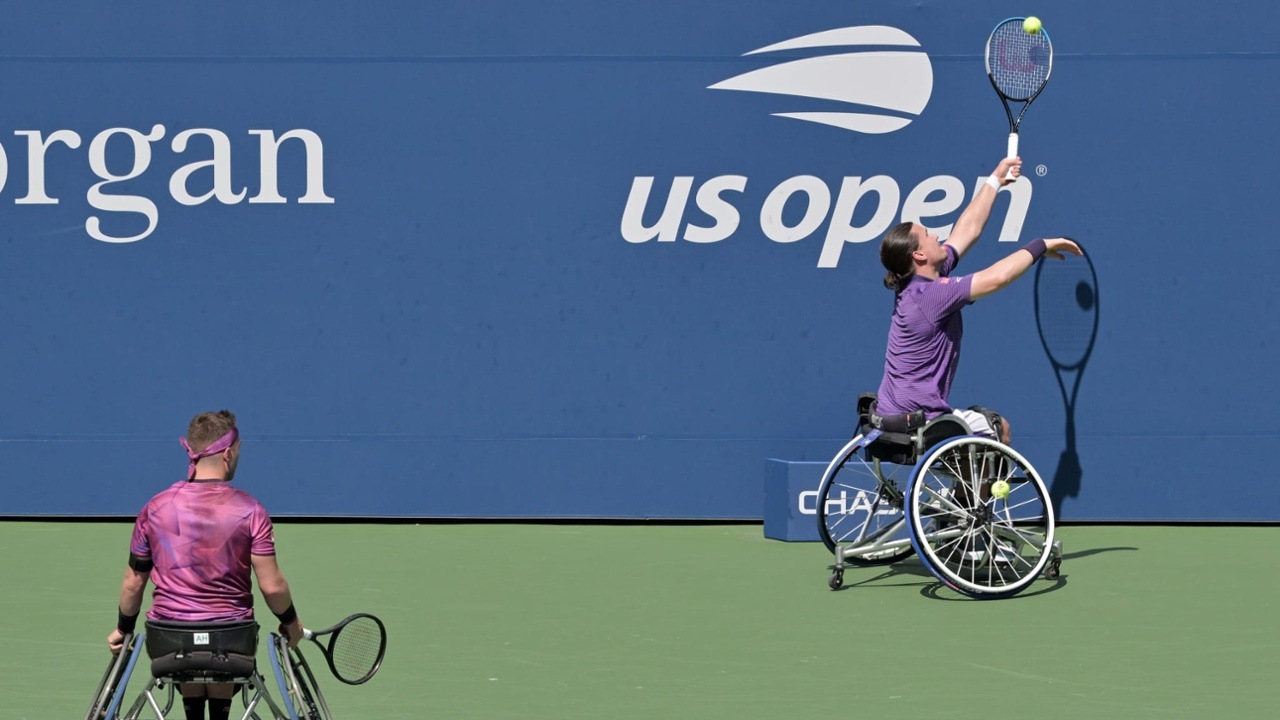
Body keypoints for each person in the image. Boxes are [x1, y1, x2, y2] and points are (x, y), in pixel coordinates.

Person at [106, 410, 304, 720]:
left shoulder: (155, 508)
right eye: (238, 452)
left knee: (191, 644)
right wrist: (291, 624)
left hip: (167, 640)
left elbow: (133, 583)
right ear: (227, 454)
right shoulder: (251, 510)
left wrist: (123, 629)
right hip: (233, 639)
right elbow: (272, 585)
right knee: (221, 641)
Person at [875, 156, 1082, 444]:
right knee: (1000, 428)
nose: (936, 235)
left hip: (889, 414)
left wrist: (996, 180)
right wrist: (1040, 245)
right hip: (920, 418)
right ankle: (972, 492)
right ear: (919, 256)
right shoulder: (933, 295)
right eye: (927, 235)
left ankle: (965, 491)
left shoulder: (918, 283)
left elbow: (968, 230)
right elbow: (997, 278)